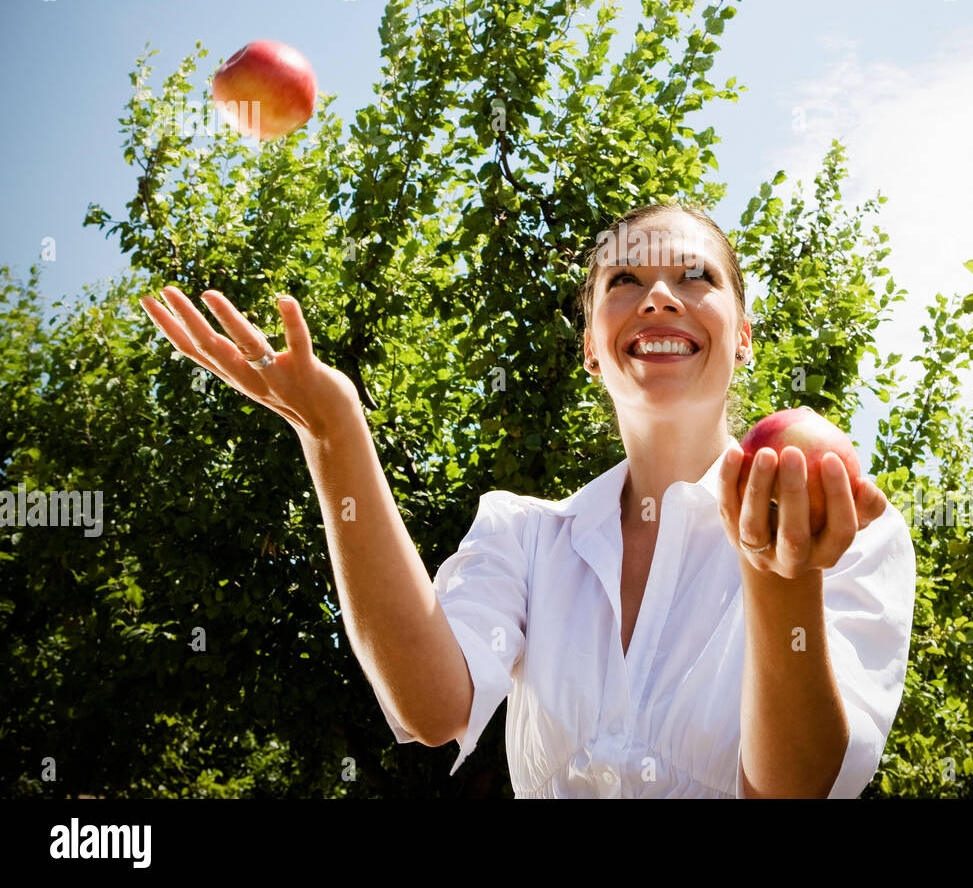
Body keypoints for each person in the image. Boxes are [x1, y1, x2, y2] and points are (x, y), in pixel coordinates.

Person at [139, 201, 916, 798]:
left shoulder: (842, 529)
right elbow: (428, 707)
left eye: (694, 276)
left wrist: (780, 576)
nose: (658, 299)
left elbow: (794, 788)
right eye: (625, 282)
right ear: (590, 348)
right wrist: (333, 433)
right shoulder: (524, 537)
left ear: (742, 335)